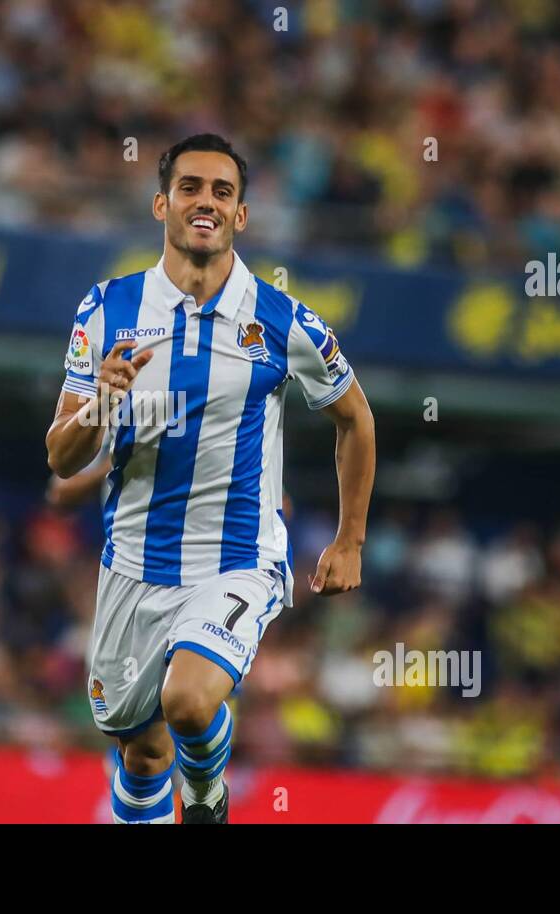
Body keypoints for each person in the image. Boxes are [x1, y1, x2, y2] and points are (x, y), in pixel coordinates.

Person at [45, 134, 376, 823]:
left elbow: (355, 417)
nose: (206, 202)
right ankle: (181, 785)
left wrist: (350, 539)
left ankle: (204, 796)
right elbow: (61, 456)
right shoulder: (106, 310)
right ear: (161, 203)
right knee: (139, 752)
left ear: (242, 215)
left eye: (223, 191)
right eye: (191, 187)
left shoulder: (283, 320)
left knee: (189, 700)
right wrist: (102, 403)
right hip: (132, 566)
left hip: (237, 560)